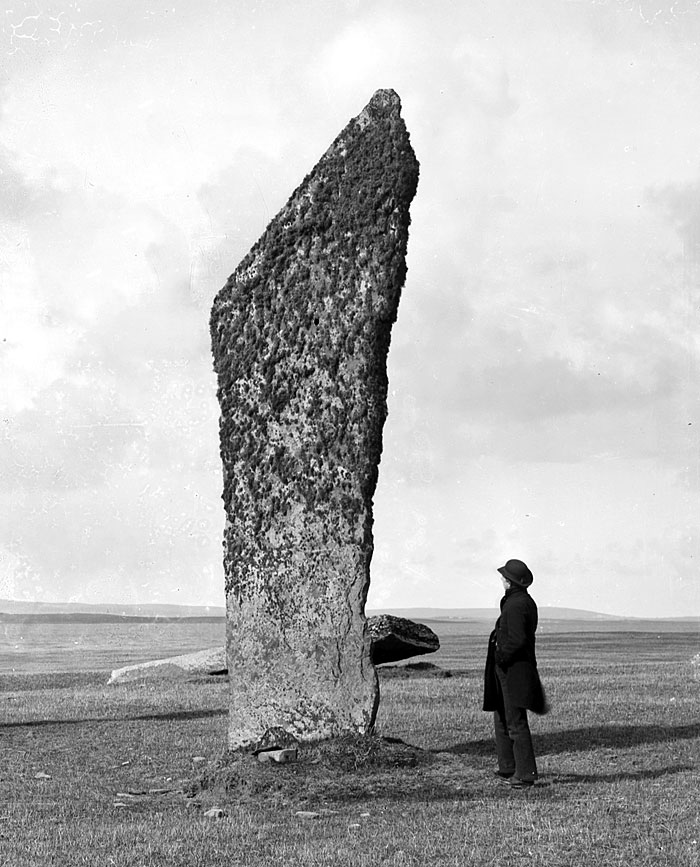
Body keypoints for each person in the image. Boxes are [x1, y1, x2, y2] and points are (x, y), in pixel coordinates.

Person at [483, 558, 548, 789]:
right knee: (502, 715)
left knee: (514, 719)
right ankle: (508, 767)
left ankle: (525, 774)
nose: (502, 579)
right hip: (510, 666)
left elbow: (518, 640)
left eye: (504, 577)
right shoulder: (520, 601)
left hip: (513, 668)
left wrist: (502, 657)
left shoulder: (516, 604)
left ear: (510, 582)